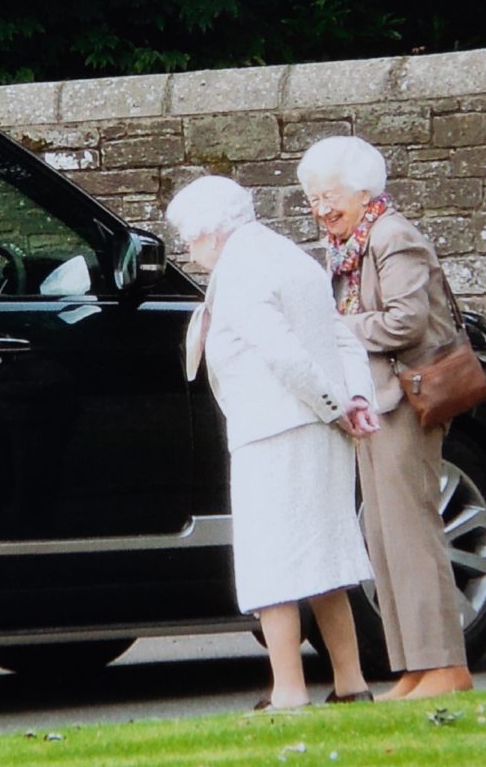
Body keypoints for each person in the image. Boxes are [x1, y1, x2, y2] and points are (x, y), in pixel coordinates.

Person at [165, 175, 380, 709]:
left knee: (271, 565)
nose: (190, 253)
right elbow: (341, 338)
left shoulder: (241, 269)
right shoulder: (290, 256)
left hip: (273, 432)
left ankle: (288, 690)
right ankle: (351, 682)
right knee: (326, 559)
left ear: (211, 231)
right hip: (318, 432)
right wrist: (354, 399)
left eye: (189, 240)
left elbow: (284, 354)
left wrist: (336, 406)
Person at [296, 136, 474, 701]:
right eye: (313, 197)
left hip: (405, 400)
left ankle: (446, 666)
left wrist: (330, 328)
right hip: (374, 403)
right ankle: (414, 667)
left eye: (330, 195)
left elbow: (406, 322)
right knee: (383, 534)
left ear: (363, 190)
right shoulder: (350, 244)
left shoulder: (392, 236)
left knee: (411, 532)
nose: (322, 208)